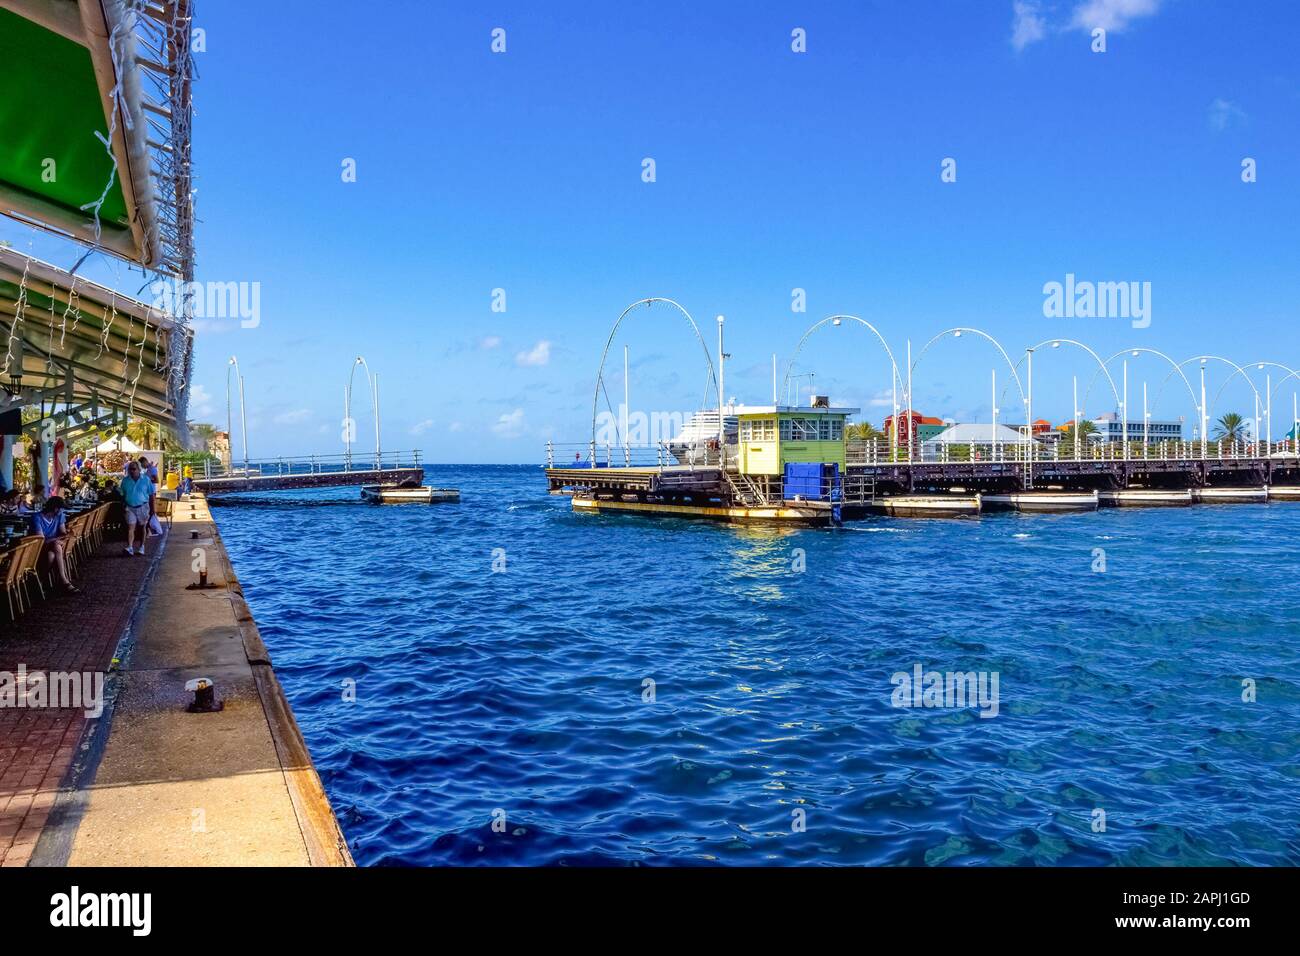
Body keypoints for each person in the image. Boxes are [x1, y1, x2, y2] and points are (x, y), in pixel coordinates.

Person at [31, 495, 78, 593]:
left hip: (52, 548)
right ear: (56, 509)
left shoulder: (60, 516)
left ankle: (42, 581)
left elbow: (63, 532)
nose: (62, 511)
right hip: (39, 548)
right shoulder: (37, 517)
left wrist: (60, 537)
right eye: (61, 509)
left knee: (51, 556)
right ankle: (64, 581)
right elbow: (41, 539)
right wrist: (56, 539)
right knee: (56, 546)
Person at [120, 459, 156, 556]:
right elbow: (122, 494)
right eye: (130, 469)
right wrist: (123, 506)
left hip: (143, 506)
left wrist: (153, 509)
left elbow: (151, 495)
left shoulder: (146, 479)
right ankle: (130, 547)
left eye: (134, 469)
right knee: (130, 528)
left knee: (143, 527)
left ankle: (142, 547)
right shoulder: (125, 480)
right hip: (130, 507)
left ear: (139, 469)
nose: (131, 471)